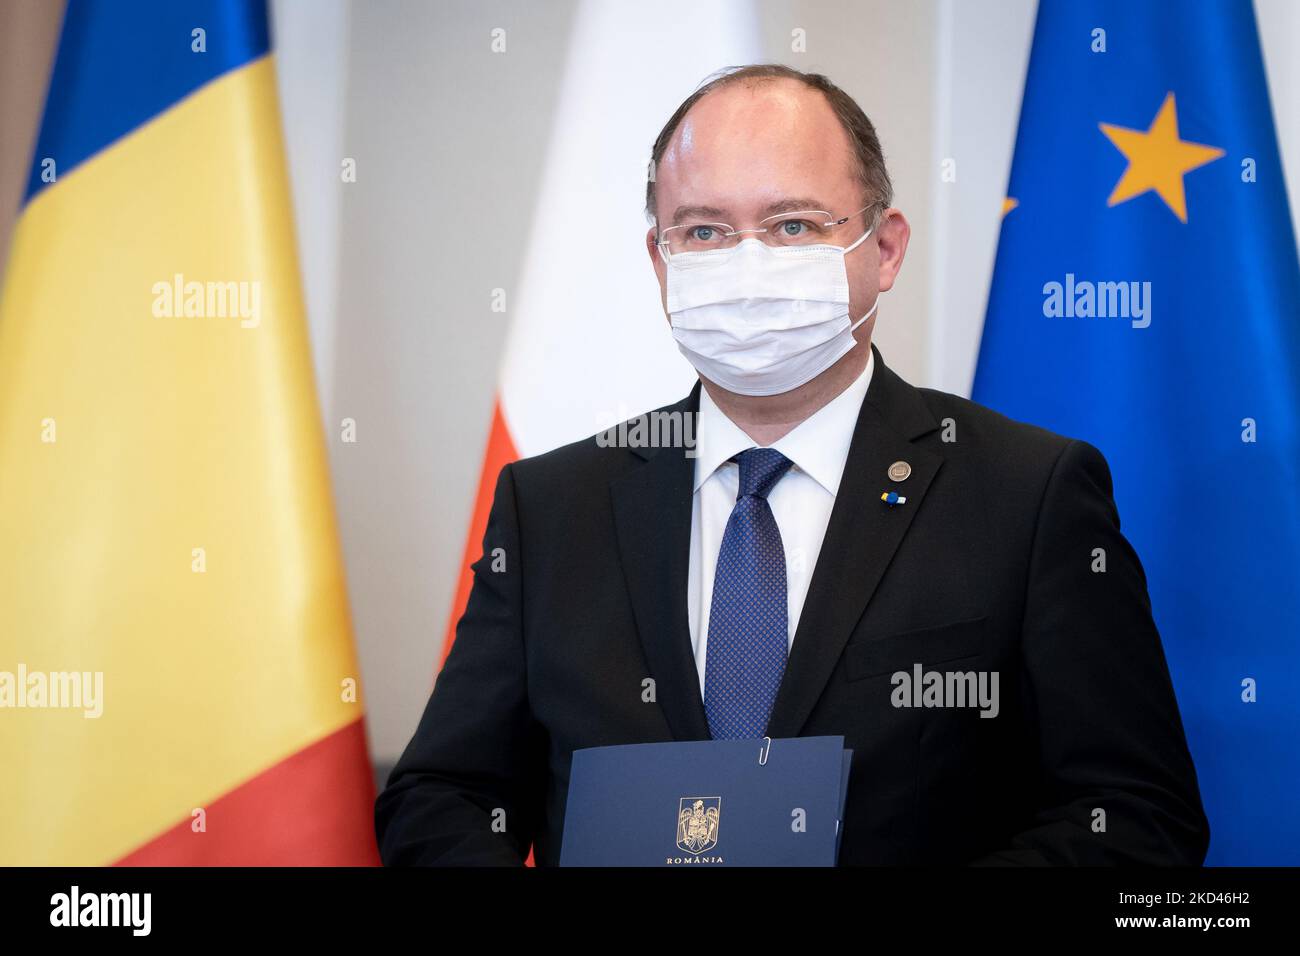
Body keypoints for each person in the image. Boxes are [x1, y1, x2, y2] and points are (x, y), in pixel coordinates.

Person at [375, 64, 1209, 865]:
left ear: (884, 249)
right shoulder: (551, 505)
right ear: (661, 262)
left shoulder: (1027, 494)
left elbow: (1137, 816)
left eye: (794, 225)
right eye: (704, 230)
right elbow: (440, 795)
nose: (746, 264)